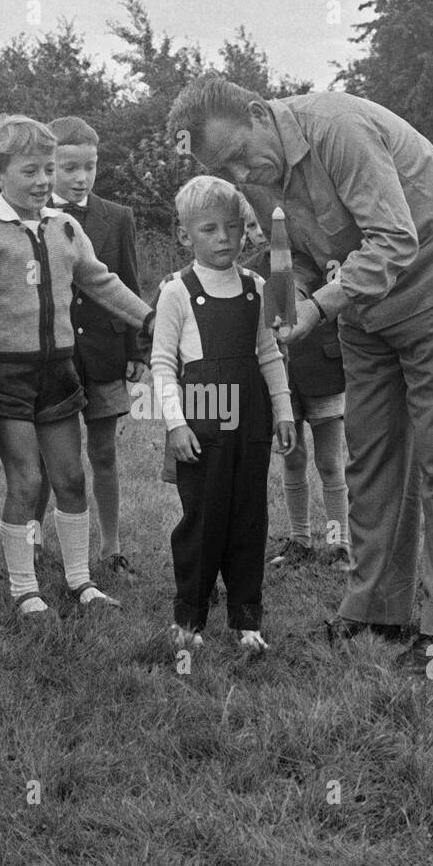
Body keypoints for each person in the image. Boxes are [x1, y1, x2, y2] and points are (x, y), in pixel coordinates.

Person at [166, 75, 433, 657]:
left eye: (241, 156)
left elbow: (394, 239)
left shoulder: (338, 128)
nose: (243, 177)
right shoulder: (261, 175)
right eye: (228, 170)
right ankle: (377, 608)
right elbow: (298, 258)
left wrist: (319, 306)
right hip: (360, 299)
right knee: (370, 448)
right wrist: (292, 298)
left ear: (258, 113)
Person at [0, 116, 154, 618]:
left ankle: (81, 581)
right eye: (31, 171)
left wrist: (151, 320)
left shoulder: (65, 227)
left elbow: (102, 282)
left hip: (61, 373)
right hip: (9, 377)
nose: (44, 181)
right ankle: (24, 589)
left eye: (49, 169)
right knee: (25, 481)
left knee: (71, 479)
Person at [153, 177, 295, 657]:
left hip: (251, 420)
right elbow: (162, 364)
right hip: (204, 419)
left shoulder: (256, 288)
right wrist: (176, 423)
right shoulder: (176, 291)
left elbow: (269, 353)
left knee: (249, 518)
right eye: (210, 229)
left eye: (232, 228)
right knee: (204, 518)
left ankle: (247, 620)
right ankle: (188, 617)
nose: (224, 239)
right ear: (185, 236)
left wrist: (284, 411)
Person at [32, 117, 148, 580]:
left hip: (104, 353)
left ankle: (111, 547)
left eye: (90, 167)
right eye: (69, 168)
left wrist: (139, 349)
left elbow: (127, 282)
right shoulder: (30, 216)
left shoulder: (117, 217)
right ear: (50, 167)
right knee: (45, 457)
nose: (81, 178)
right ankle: (33, 539)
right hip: (51, 355)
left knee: (103, 452)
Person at [240, 196, 351, 571]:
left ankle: (339, 543)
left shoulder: (320, 263)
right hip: (280, 383)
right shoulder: (248, 273)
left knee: (330, 461)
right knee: (293, 458)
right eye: (253, 227)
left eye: (268, 228)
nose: (261, 235)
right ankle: (299, 539)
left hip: (323, 371)